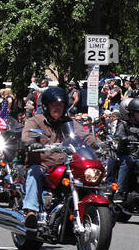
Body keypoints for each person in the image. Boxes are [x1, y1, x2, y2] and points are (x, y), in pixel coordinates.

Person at [20, 86, 97, 216]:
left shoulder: (69, 122)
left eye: (61, 105)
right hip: (43, 164)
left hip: (64, 164)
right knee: (34, 172)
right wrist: (31, 143)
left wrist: (99, 146)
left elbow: (85, 135)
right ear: (46, 106)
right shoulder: (36, 121)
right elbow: (27, 134)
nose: (58, 108)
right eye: (54, 104)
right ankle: (31, 211)